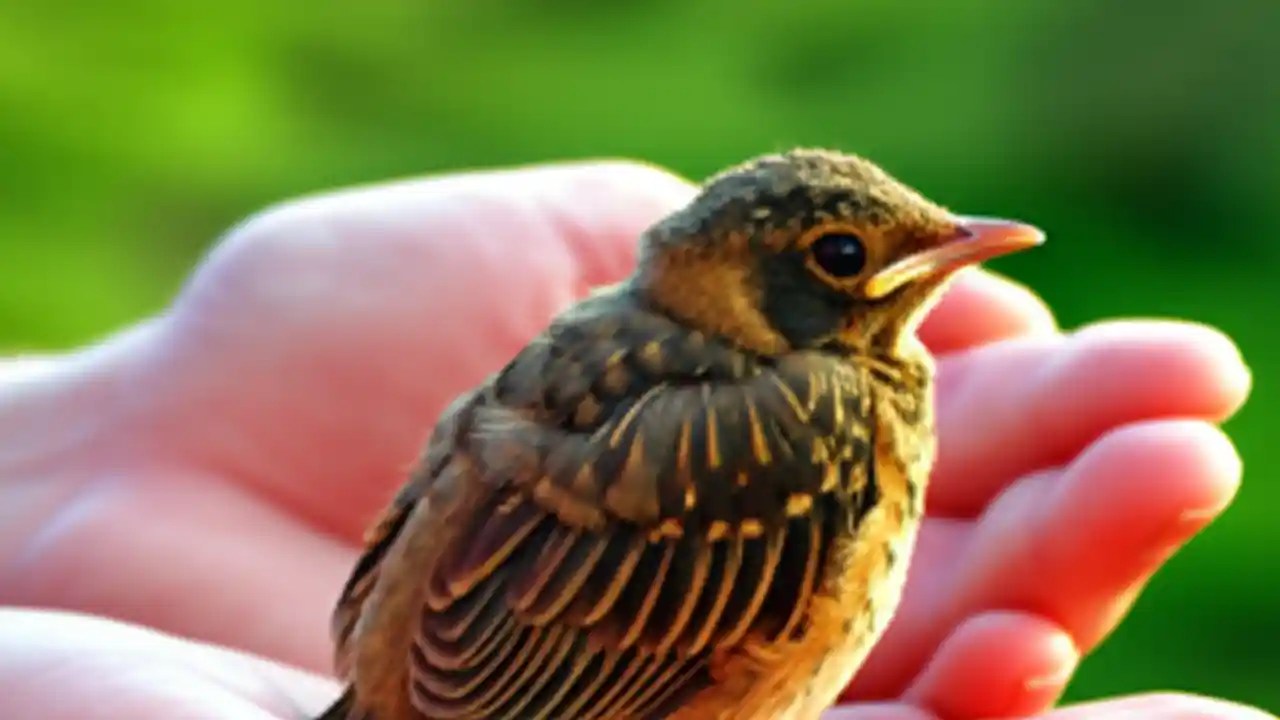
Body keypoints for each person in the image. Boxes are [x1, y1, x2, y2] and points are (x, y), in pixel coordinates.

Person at [0, 161, 1265, 720]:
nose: (935, 257)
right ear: (749, 286)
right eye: (844, 262)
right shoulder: (813, 415)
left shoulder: (611, 336)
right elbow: (664, 654)